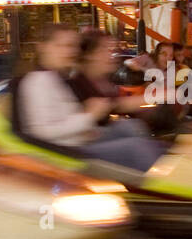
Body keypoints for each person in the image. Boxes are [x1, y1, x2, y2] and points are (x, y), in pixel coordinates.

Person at [17, 23, 167, 172]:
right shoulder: (38, 81)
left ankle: (170, 161)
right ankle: (166, 184)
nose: (70, 52)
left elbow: (70, 117)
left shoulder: (57, 78)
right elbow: (43, 131)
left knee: (129, 127)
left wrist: (89, 124)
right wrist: (89, 117)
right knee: (137, 147)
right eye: (63, 46)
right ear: (43, 47)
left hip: (80, 140)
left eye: (72, 46)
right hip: (68, 152)